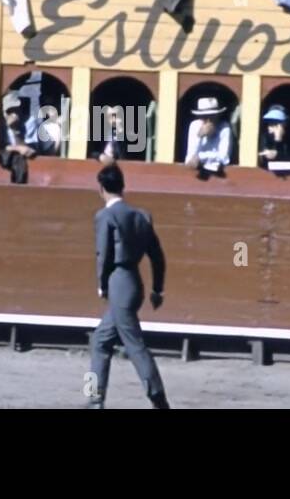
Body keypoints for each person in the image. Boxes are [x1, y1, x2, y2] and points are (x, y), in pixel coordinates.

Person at [87, 164, 169, 410]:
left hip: (118, 283)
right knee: (100, 340)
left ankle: (158, 399)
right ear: (122, 186)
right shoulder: (141, 216)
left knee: (134, 344)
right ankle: (94, 398)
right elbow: (157, 256)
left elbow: (104, 254)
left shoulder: (105, 216)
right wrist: (157, 289)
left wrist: (102, 285)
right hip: (135, 282)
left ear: (101, 189)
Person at [184, 96, 231, 177]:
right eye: (204, 117)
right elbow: (189, 159)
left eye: (212, 116)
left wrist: (201, 157)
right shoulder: (195, 126)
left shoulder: (224, 127)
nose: (208, 121)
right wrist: (199, 137)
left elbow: (224, 158)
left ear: (218, 115)